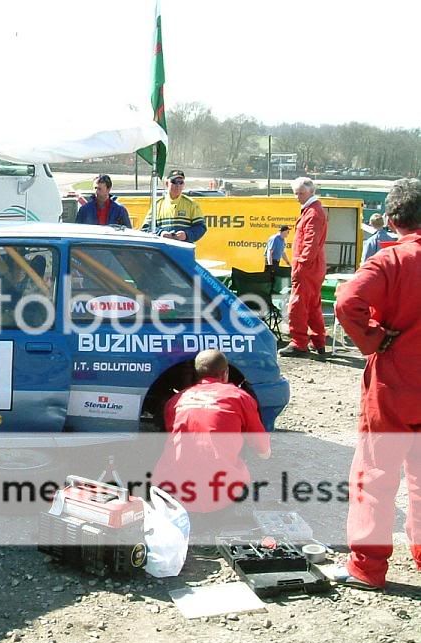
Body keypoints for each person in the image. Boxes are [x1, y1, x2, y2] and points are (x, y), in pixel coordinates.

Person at [332, 178, 421, 590]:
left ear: (389, 220)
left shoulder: (390, 262)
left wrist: (373, 338)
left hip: (393, 387)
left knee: (375, 475)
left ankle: (368, 567)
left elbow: (348, 302)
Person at [151, 350, 270, 513]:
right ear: (226, 373)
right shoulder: (239, 397)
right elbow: (263, 450)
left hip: (175, 493)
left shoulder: (175, 401)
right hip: (219, 496)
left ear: (196, 373)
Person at [278, 177, 328, 358]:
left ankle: (299, 343)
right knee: (313, 305)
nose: (298, 197)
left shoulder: (313, 213)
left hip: (307, 266)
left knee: (298, 305)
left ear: (311, 192)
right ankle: (319, 341)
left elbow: (310, 242)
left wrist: (301, 266)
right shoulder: (314, 211)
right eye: (296, 193)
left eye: (301, 193)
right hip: (314, 266)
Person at [144, 170, 207, 243]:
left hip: (184, 249)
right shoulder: (157, 204)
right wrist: (161, 233)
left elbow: (201, 227)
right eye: (174, 182)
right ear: (167, 183)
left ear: (184, 185)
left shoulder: (191, 204)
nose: (178, 185)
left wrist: (186, 234)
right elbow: (146, 228)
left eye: (181, 182)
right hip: (163, 250)